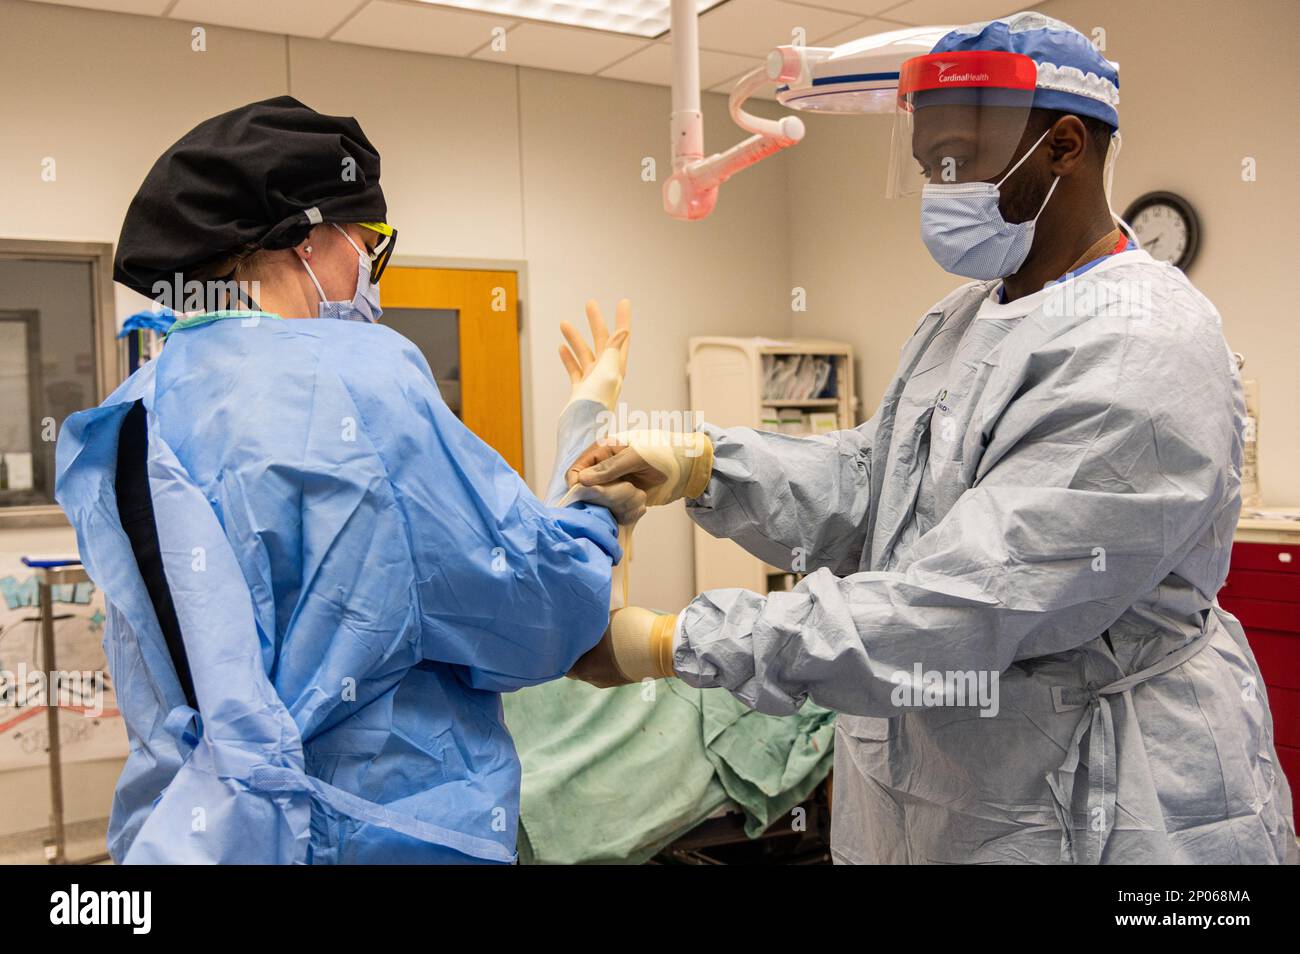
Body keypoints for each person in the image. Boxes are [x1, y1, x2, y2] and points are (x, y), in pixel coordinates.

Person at [565, 13, 1298, 864]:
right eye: (926, 168)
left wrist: (672, 643)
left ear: (1063, 145)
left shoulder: (1143, 345)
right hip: (939, 796)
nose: (938, 191)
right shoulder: (963, 317)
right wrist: (703, 465)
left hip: (1098, 803)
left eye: (955, 163)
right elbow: (872, 486)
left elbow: (963, 604)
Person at [56, 96, 643, 864]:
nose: (371, 274)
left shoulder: (134, 409)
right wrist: (598, 497)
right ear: (309, 238)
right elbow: (542, 613)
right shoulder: (360, 380)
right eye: (368, 245)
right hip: (368, 832)